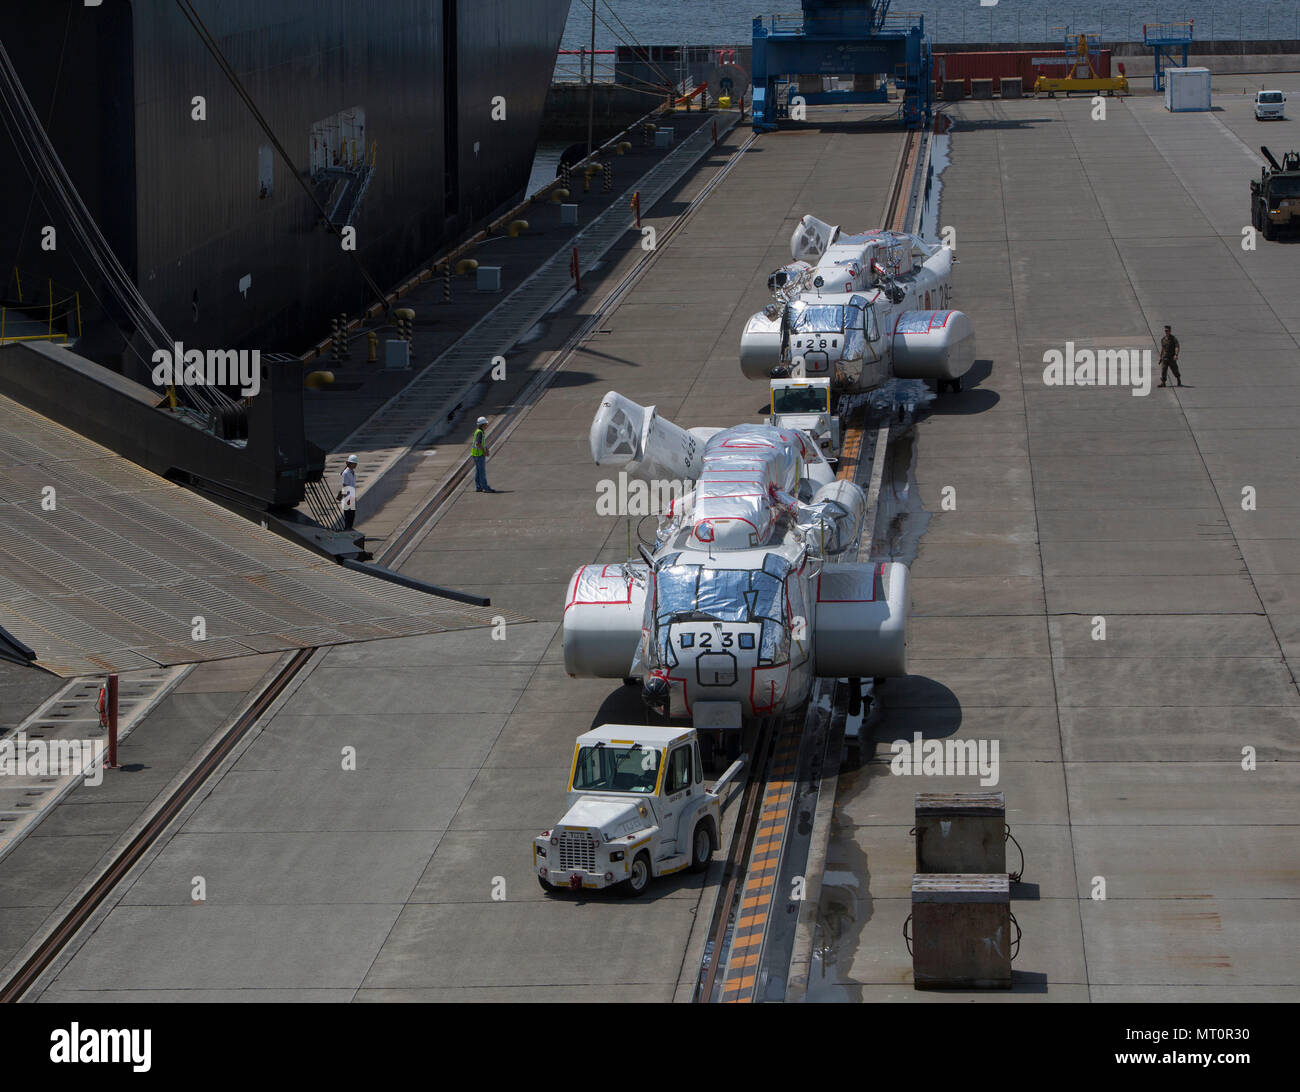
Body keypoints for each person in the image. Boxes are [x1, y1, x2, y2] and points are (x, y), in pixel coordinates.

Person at [471, 417, 496, 492]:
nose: (487, 425)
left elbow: (482, 443)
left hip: (475, 454)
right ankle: (485, 487)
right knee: (482, 472)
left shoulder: (478, 431)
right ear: (482, 424)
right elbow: (478, 443)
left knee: (478, 471)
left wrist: (486, 449)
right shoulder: (480, 432)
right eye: (486, 424)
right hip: (479, 455)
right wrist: (484, 452)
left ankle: (478, 487)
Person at [338, 454, 358, 529]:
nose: (355, 465)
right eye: (354, 463)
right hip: (348, 497)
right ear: (350, 463)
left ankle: (350, 528)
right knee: (348, 516)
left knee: (352, 515)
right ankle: (347, 529)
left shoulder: (352, 472)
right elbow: (345, 486)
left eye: (356, 463)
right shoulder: (346, 473)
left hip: (352, 496)